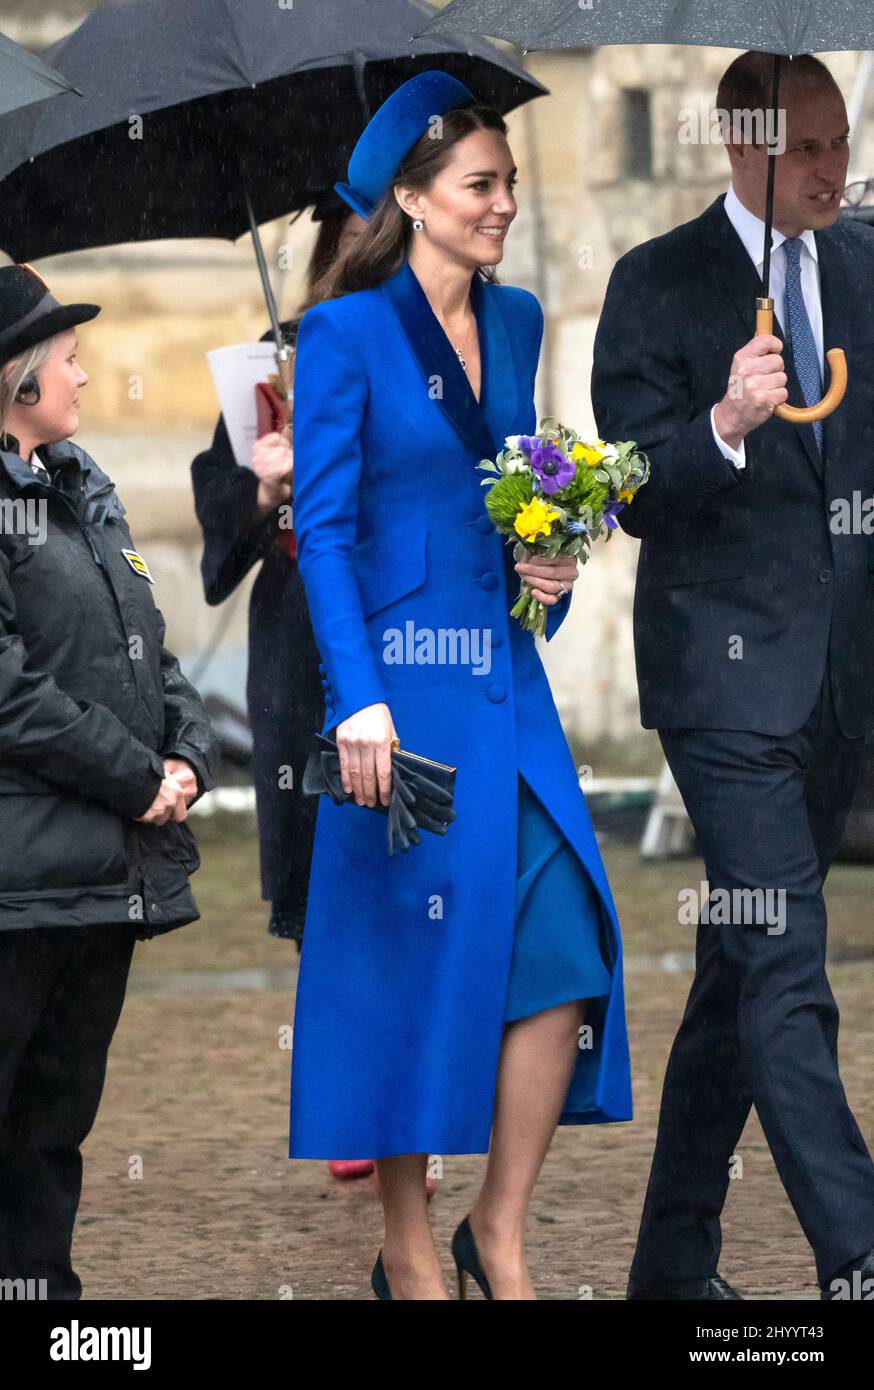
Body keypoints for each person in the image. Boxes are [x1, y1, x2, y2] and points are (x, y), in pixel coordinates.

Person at [288, 70, 632, 1301]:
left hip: (504, 683)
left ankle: (500, 1229)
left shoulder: (521, 318)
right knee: (406, 962)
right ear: (414, 200)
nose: (503, 206)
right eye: (480, 185)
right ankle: (406, 1247)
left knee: (568, 938)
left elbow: (515, 497)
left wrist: (551, 567)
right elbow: (322, 533)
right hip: (398, 701)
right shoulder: (344, 334)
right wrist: (356, 697)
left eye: (510, 184)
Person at [592, 51, 874, 1300]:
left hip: (840, 683)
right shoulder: (654, 281)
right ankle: (856, 1252)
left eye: (841, 141)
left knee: (740, 967)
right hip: (722, 688)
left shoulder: (861, 265)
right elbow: (630, 488)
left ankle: (670, 1265)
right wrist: (723, 425)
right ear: (740, 143)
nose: (832, 167)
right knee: (788, 966)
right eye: (807, 146)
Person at [0, 264, 219, 1299]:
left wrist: (187, 754)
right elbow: (9, 695)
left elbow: (148, 649)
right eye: (70, 359)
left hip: (99, 879)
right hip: (17, 884)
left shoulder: (82, 488)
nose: (86, 377)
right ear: (17, 377)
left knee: (51, 1129)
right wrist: (137, 778)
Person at [191, 194, 386, 1186]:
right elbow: (218, 546)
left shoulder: (426, 347)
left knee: (399, 850)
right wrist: (266, 486)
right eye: (352, 245)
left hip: (393, 622)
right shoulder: (276, 361)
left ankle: (406, 1095)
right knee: (318, 862)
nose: (367, 260)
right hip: (296, 634)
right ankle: (349, 1099)